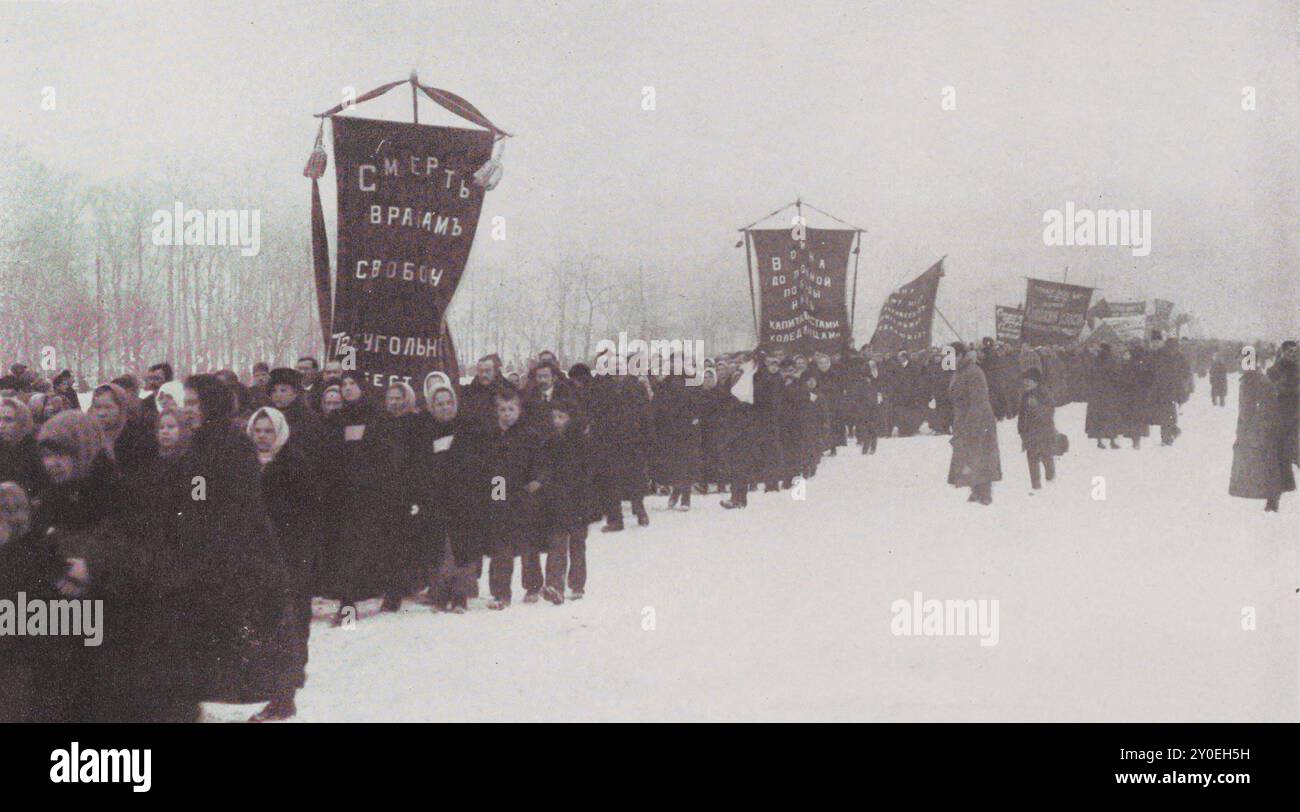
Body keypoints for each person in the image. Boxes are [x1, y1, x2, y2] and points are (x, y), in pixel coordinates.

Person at [247, 405, 322, 721]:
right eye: (258, 431)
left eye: (269, 431)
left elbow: (309, 511)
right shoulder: (246, 464)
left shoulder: (294, 463)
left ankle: (284, 696)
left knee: (288, 624)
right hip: (257, 555)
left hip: (290, 555)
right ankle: (278, 686)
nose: (263, 437)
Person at [479, 389, 543, 609]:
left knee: (527, 542)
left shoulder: (529, 434)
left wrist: (536, 480)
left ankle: (533, 586)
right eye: (502, 410)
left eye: (511, 409)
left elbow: (539, 462)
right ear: (497, 412)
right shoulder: (491, 435)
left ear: (519, 410)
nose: (507, 414)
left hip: (523, 492)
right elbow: (486, 465)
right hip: (499, 488)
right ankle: (500, 591)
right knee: (501, 543)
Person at [535, 398, 596, 603]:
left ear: (571, 419)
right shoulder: (550, 443)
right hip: (557, 501)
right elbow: (545, 469)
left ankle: (577, 584)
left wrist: (590, 500)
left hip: (579, 501)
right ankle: (554, 584)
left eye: (561, 417)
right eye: (554, 417)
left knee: (578, 545)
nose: (557, 421)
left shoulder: (583, 443)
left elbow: (590, 473)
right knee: (557, 544)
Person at [947, 342, 1001, 505]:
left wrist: (969, 425)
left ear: (961, 355)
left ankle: (985, 494)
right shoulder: (960, 372)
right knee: (969, 454)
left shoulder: (974, 372)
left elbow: (978, 402)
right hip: (964, 419)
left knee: (981, 454)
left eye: (952, 355)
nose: (949, 359)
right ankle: (975, 489)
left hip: (978, 420)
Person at [1229, 369, 1290, 512]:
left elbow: (1255, 409)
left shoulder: (1256, 382)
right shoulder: (1253, 381)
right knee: (1267, 463)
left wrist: (1255, 428)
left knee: (1269, 463)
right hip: (1261, 429)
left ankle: (1273, 499)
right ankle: (1272, 498)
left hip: (1263, 430)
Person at [90, 382, 157, 480]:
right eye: (97, 407)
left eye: (108, 407)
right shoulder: (89, 439)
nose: (101, 413)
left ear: (121, 408)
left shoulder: (139, 438)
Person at [1017, 368, 1057, 491]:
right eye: (1025, 381)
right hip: (1029, 433)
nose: (1026, 383)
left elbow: (1049, 411)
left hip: (1043, 432)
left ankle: (1050, 477)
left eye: (1029, 381)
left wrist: (1037, 406)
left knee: (1046, 455)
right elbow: (1022, 415)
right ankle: (1035, 484)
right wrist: (1020, 429)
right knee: (1032, 457)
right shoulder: (1025, 395)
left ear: (1036, 382)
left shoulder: (1044, 393)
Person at [0, 397, 46, 498]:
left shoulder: (37, 449)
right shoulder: (3, 446)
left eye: (8, 420)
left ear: (22, 422)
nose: (1, 425)